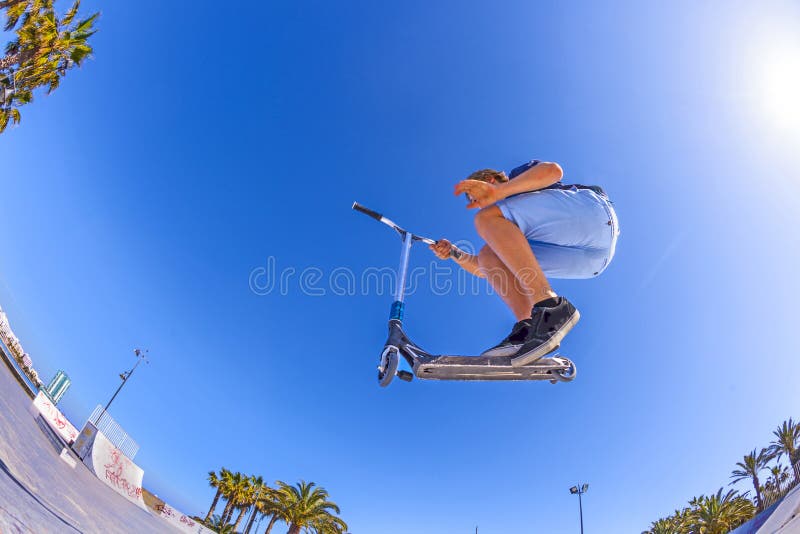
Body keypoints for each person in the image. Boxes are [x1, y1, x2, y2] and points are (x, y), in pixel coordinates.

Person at [429, 160, 619, 366]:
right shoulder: (508, 227)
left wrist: (501, 191)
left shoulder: (518, 177)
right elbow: (485, 269)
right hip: (591, 262)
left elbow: (554, 171)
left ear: (490, 181)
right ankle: (528, 329)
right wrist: (454, 253)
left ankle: (551, 306)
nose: (480, 204)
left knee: (485, 219)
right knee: (489, 256)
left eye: (478, 198)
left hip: (594, 215)